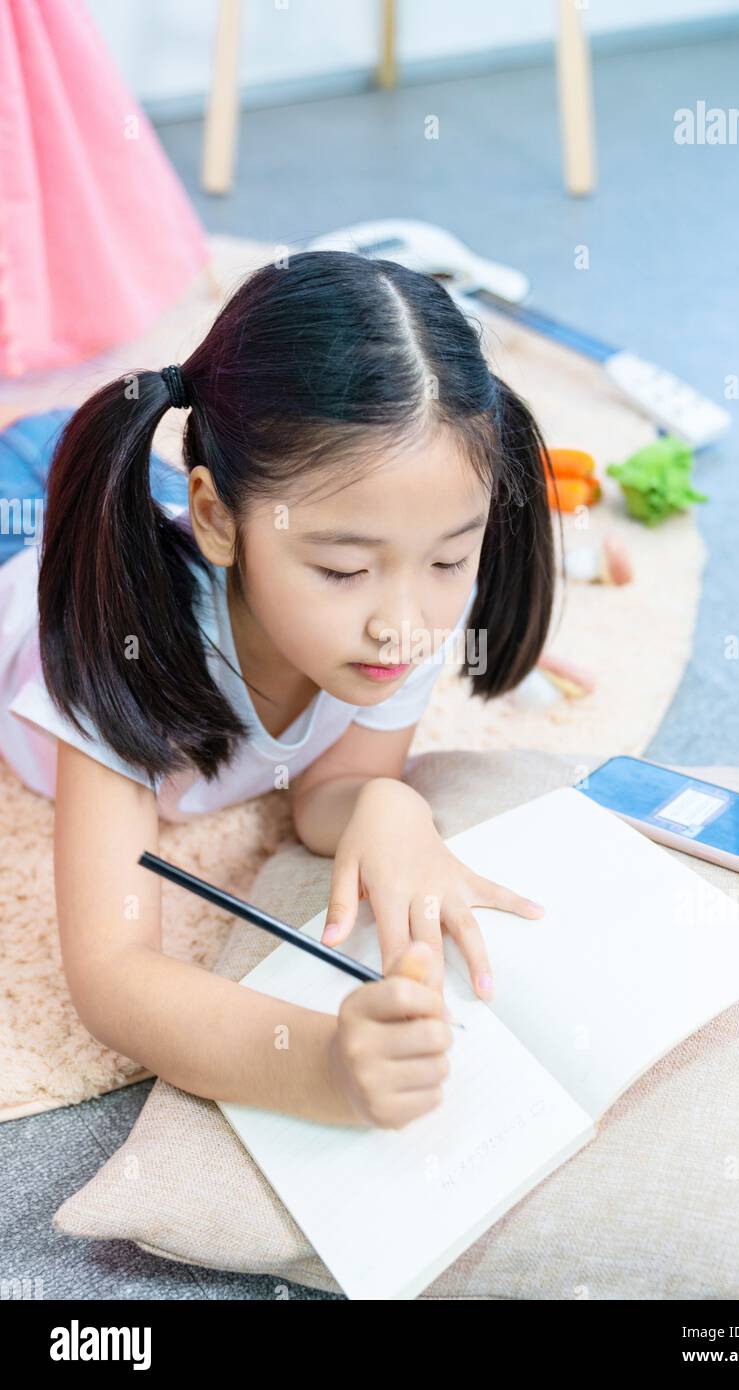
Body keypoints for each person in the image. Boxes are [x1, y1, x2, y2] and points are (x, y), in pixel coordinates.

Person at [0, 251, 560, 1129]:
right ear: (217, 520)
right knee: (44, 459)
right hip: (17, 545)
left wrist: (385, 806)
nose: (404, 625)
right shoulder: (124, 647)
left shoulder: (388, 607)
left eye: (451, 558)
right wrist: (324, 1068)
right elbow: (112, 977)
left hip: (189, 504)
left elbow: (325, 790)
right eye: (343, 569)